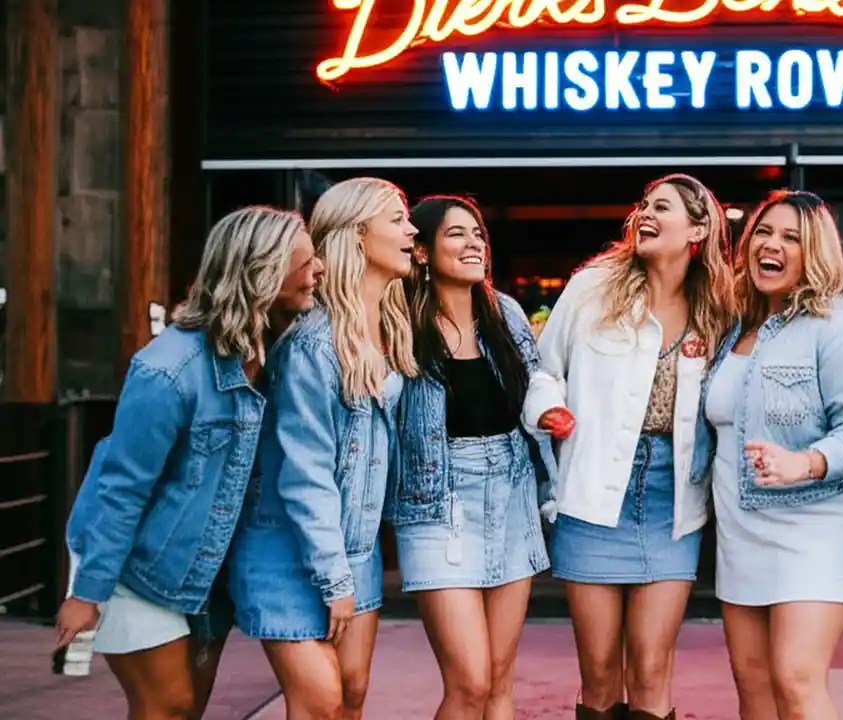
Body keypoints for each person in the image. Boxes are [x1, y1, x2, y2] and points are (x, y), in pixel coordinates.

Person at [55, 205, 322, 718]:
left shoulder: (271, 351)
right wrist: (87, 592)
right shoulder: (168, 371)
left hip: (205, 570)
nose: (319, 271)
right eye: (306, 262)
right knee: (167, 705)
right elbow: (120, 488)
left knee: (189, 707)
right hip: (139, 569)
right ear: (262, 269)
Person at [521, 173, 734, 719]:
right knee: (598, 674)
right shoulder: (593, 287)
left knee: (650, 668)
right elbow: (545, 370)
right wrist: (547, 409)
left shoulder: (719, 306)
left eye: (662, 207)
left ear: (699, 228)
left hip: (672, 500)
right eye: (643, 204)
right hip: (595, 494)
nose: (645, 213)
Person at [228, 178, 418, 719]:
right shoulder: (314, 344)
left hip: (357, 550)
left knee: (351, 698)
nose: (411, 231)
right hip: (291, 553)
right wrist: (334, 579)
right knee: (320, 703)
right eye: (398, 220)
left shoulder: (386, 329)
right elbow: (304, 473)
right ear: (358, 236)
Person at [705, 190, 843, 720]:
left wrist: (804, 462)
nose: (772, 244)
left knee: (796, 679)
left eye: (792, 237)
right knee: (754, 683)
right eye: (764, 232)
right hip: (743, 526)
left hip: (818, 523)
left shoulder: (839, 326)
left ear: (817, 254)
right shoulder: (736, 324)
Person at [391, 195, 554, 718]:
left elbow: (537, 391)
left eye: (478, 234)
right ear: (421, 251)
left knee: (500, 684)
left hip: (511, 493)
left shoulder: (504, 313)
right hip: (438, 502)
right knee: (469, 684)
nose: (473, 244)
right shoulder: (398, 321)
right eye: (456, 234)